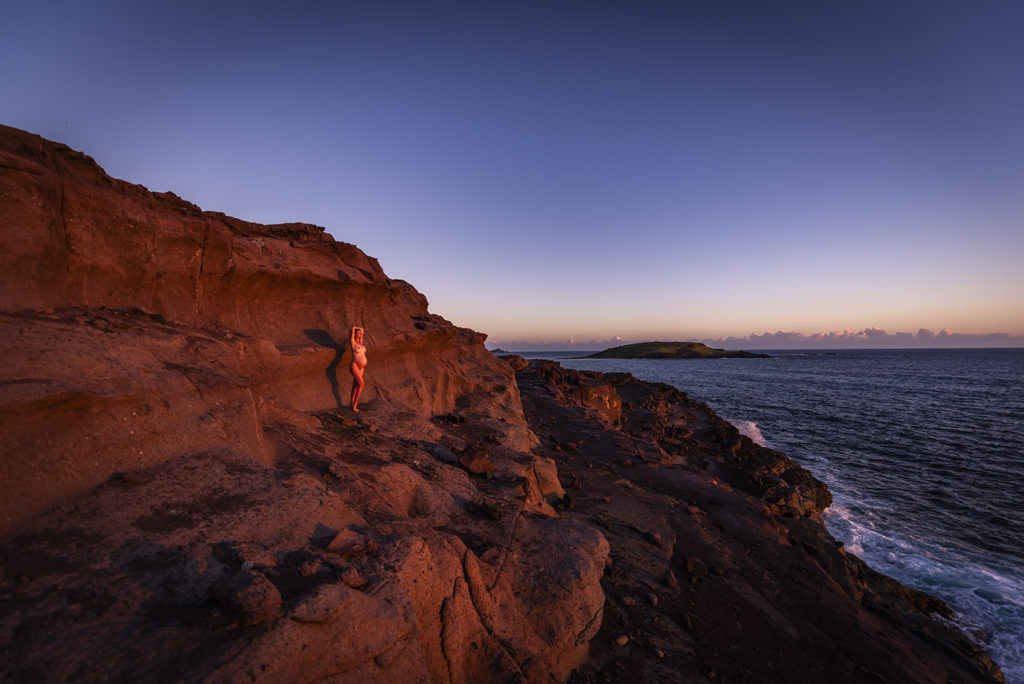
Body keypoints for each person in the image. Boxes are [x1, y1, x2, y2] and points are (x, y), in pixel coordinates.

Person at [349, 326, 367, 411]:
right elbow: (353, 329)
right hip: (355, 365)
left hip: (361, 367)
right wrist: (355, 329)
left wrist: (360, 330)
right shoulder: (353, 343)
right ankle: (355, 405)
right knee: (362, 384)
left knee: (355, 385)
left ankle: (351, 403)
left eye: (360, 333)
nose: (360, 334)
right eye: (358, 333)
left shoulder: (361, 343)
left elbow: (362, 330)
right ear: (355, 334)